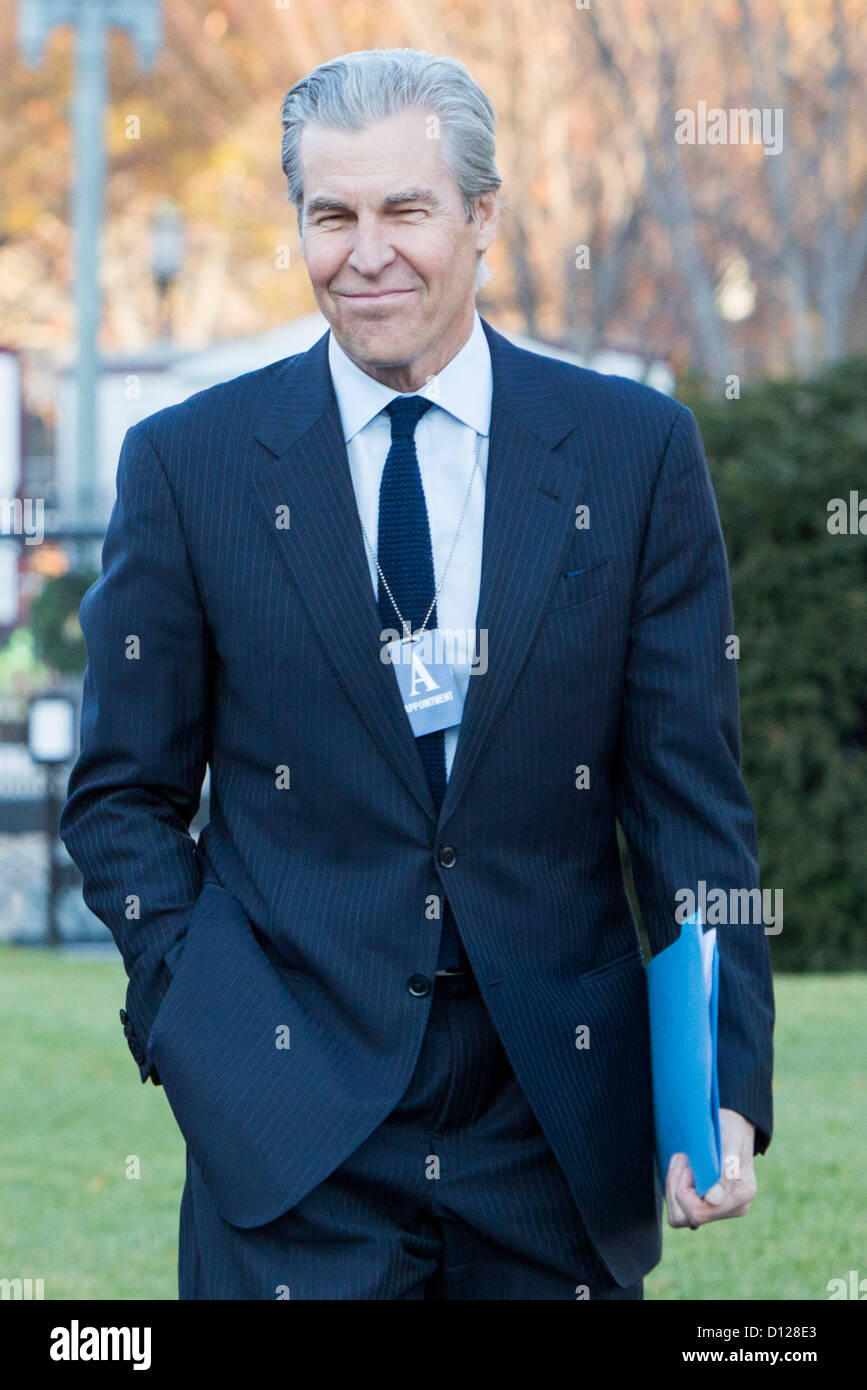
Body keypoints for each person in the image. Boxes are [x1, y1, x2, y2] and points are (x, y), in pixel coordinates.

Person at [60, 47, 774, 1301]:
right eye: (331, 214)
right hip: (288, 1125)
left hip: (554, 1126)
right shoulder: (189, 463)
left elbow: (689, 806)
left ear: (482, 216)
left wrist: (717, 1085)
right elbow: (121, 797)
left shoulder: (634, 454)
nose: (365, 250)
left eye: (405, 209)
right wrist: (197, 1018)